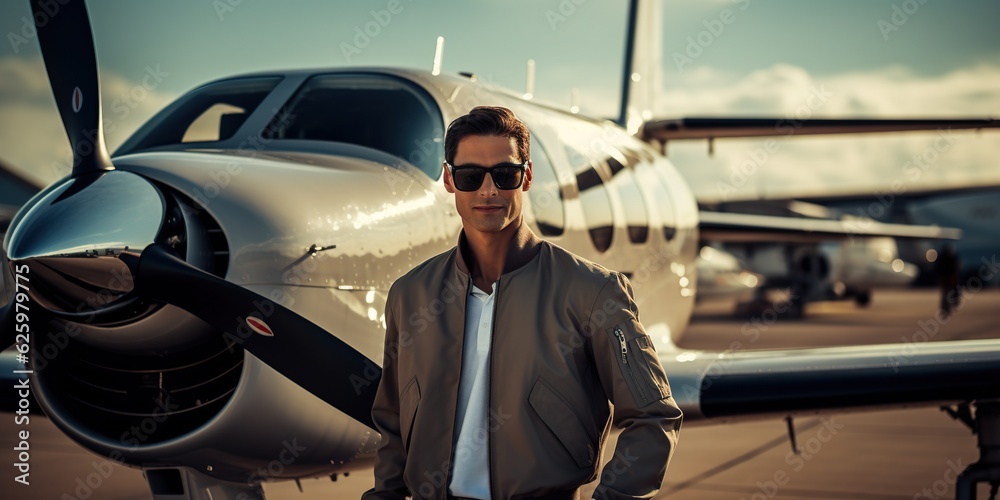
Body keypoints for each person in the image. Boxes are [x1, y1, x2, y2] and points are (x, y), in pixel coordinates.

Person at [362, 106, 682, 500]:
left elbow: (654, 415)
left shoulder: (593, 291)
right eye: (470, 176)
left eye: (505, 174)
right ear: (449, 180)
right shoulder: (410, 295)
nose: (488, 190)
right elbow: (392, 426)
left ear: (527, 176)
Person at [934, 243, 961, 318]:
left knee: (949, 294)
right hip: (946, 279)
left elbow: (955, 268)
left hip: (949, 279)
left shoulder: (948, 258)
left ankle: (948, 308)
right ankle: (946, 310)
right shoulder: (948, 258)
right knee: (946, 295)